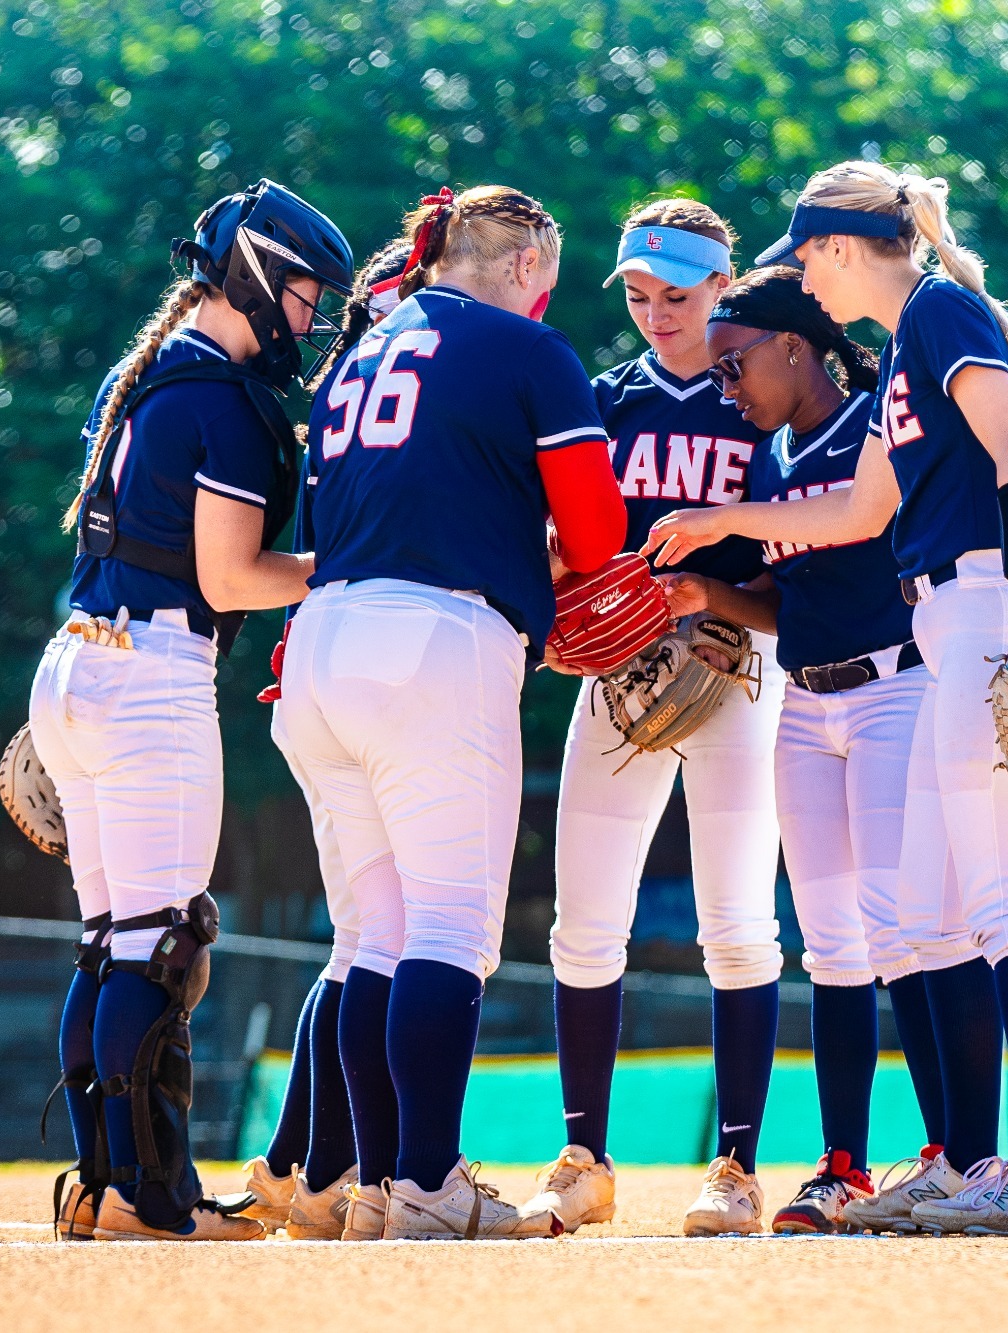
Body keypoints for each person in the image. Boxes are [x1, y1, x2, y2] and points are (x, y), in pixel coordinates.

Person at [647, 161, 1008, 1236]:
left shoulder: (940, 311)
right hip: (946, 626)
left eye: (803, 254)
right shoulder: (906, 348)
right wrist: (722, 528)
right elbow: (853, 510)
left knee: (1005, 905)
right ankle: (969, 1161)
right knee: (929, 920)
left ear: (842, 245)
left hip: (986, 607)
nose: (801, 275)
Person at [279, 185, 628, 1240]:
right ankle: (431, 1183)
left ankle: (378, 1184)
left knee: (370, 935)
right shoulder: (527, 349)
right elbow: (599, 529)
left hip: (322, 643)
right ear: (527, 266)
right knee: (445, 931)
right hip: (435, 641)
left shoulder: (357, 350)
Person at [33, 180, 354, 1243]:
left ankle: (97, 1180)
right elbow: (229, 577)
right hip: (151, 673)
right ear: (258, 278)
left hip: (75, 664)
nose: (308, 319)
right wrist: (350, 564)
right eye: (304, 295)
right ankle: (149, 1196)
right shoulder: (222, 399)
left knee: (106, 944)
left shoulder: (145, 380)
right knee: (159, 947)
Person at [637, 266, 951, 1234]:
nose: (723, 381)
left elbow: (868, 531)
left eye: (734, 361)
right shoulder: (768, 457)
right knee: (832, 948)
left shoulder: (872, 422)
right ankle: (843, 1165)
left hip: (898, 686)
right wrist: (708, 598)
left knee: (905, 929)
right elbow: (784, 606)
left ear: (791, 344)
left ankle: (949, 1156)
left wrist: (724, 526)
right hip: (807, 707)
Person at [526, 200, 788, 1240]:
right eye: (635, 294)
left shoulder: (757, 398)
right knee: (583, 920)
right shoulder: (602, 399)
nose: (653, 314)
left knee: (735, 919)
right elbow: (561, 540)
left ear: (723, 287)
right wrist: (553, 612)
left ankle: (734, 1163)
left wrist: (720, 609)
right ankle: (584, 1152)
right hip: (619, 674)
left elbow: (791, 546)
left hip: (739, 669)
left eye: (674, 295)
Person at [242, 238, 414, 1240]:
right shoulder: (401, 397)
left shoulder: (345, 392)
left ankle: (292, 1165)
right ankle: (347, 1170)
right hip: (367, 675)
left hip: (317, 672)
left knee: (359, 943)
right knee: (388, 940)